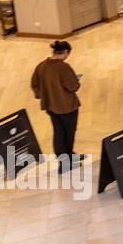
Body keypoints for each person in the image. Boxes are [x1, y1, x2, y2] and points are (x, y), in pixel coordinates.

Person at [30, 40, 82, 168]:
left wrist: (45, 95)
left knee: (58, 133)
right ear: (64, 52)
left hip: (50, 107)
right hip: (67, 107)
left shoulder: (41, 66)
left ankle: (65, 158)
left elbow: (34, 84)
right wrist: (76, 80)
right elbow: (72, 86)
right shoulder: (63, 67)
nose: (67, 57)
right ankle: (67, 160)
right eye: (67, 54)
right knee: (69, 133)